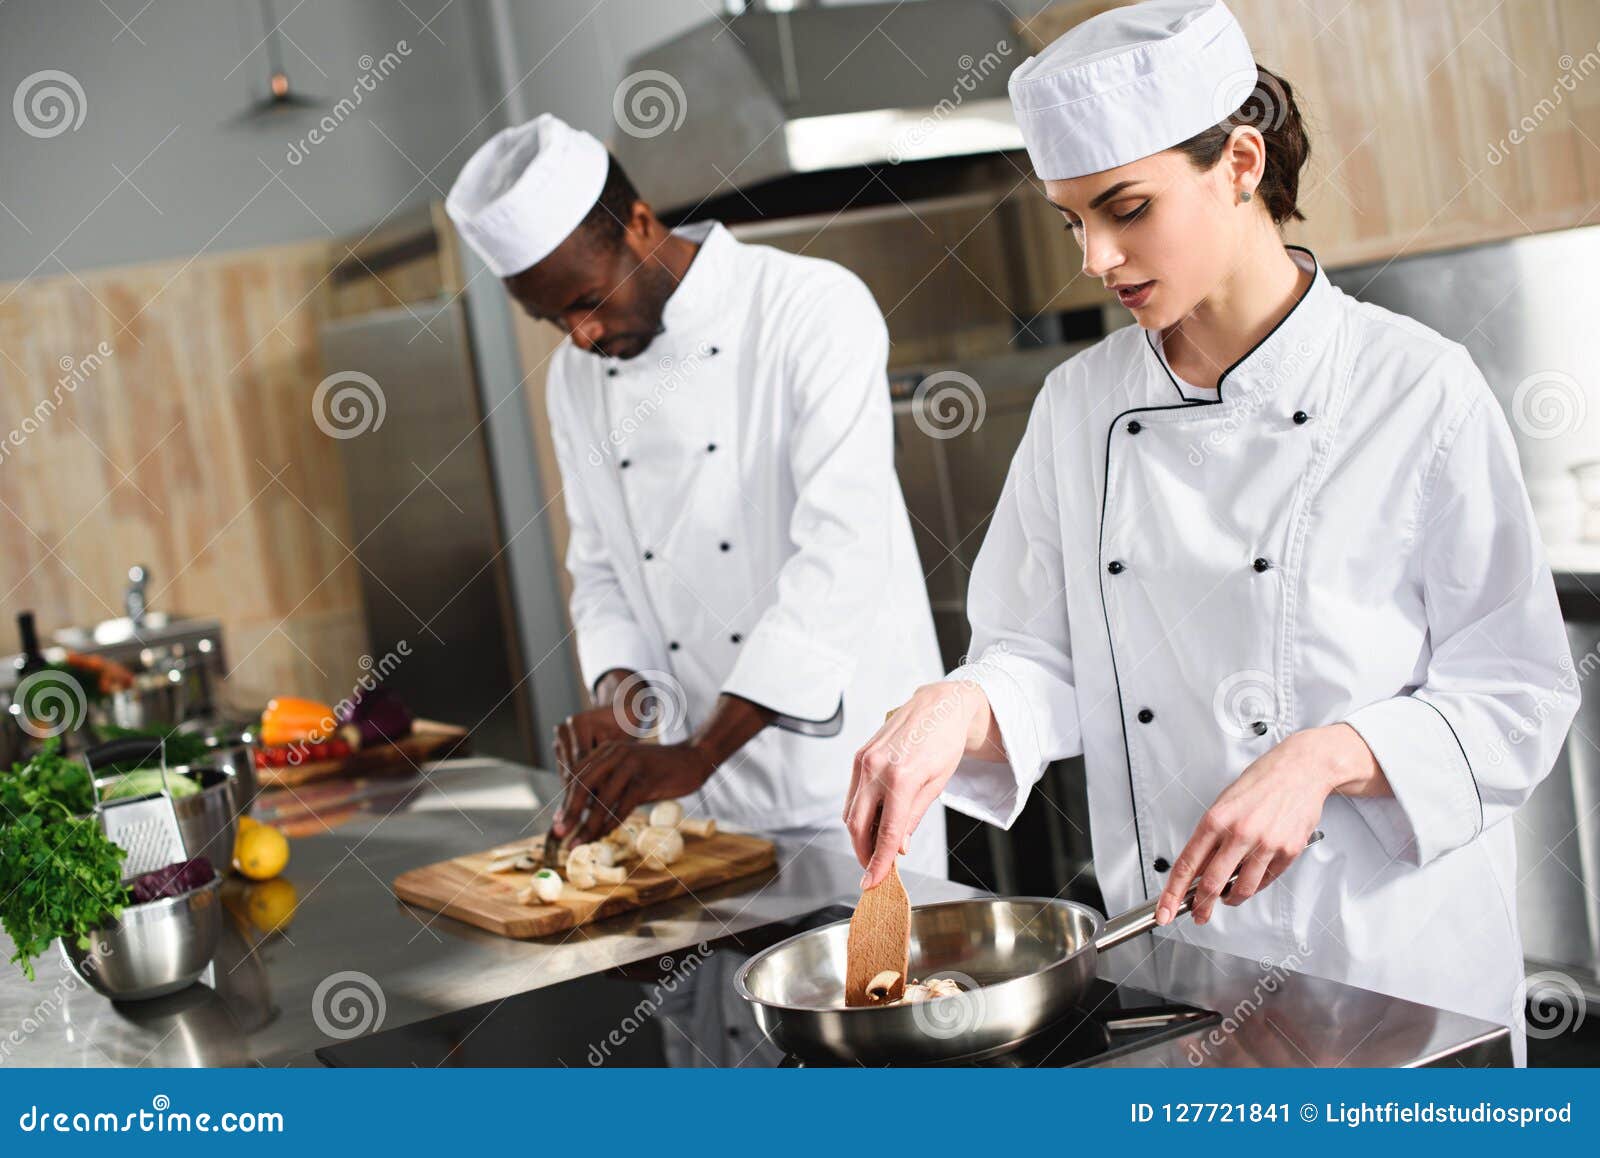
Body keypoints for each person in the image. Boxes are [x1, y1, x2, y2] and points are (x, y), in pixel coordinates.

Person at [843, 0, 1576, 1060]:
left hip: (1387, 978)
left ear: (1239, 162)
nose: (1093, 257)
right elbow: (1041, 660)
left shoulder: (1415, 388)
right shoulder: (1077, 408)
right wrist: (957, 703)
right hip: (1170, 972)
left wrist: (1329, 755)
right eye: (1069, 221)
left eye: (1125, 208)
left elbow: (1516, 694)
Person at [446, 114, 947, 877]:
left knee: (870, 990)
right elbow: (605, 568)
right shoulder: (577, 378)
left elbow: (841, 557)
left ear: (639, 225)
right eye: (551, 319)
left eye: (585, 300)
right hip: (693, 807)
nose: (578, 334)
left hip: (848, 782)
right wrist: (621, 704)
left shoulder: (809, 308)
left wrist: (701, 751)